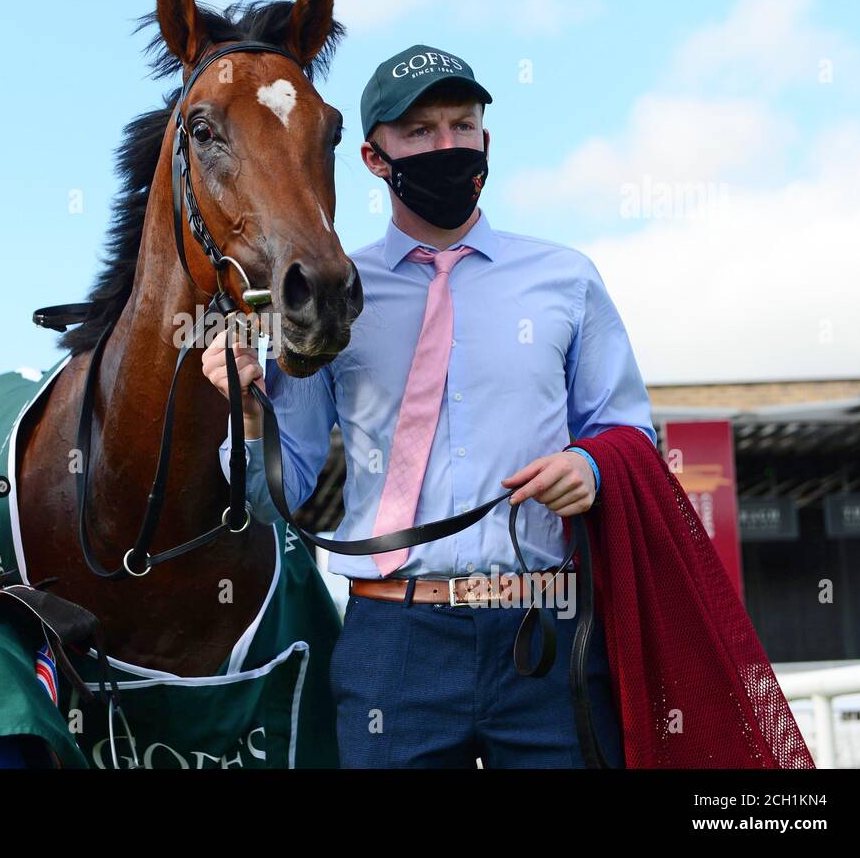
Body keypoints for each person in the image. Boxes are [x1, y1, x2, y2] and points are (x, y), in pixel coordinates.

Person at [203, 45, 655, 768]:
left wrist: (591, 467)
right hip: (395, 645)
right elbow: (276, 497)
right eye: (419, 132)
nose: (446, 146)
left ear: (486, 141)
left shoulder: (568, 279)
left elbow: (631, 436)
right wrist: (250, 414)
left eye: (461, 126)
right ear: (375, 159)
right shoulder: (326, 296)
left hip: (543, 633)